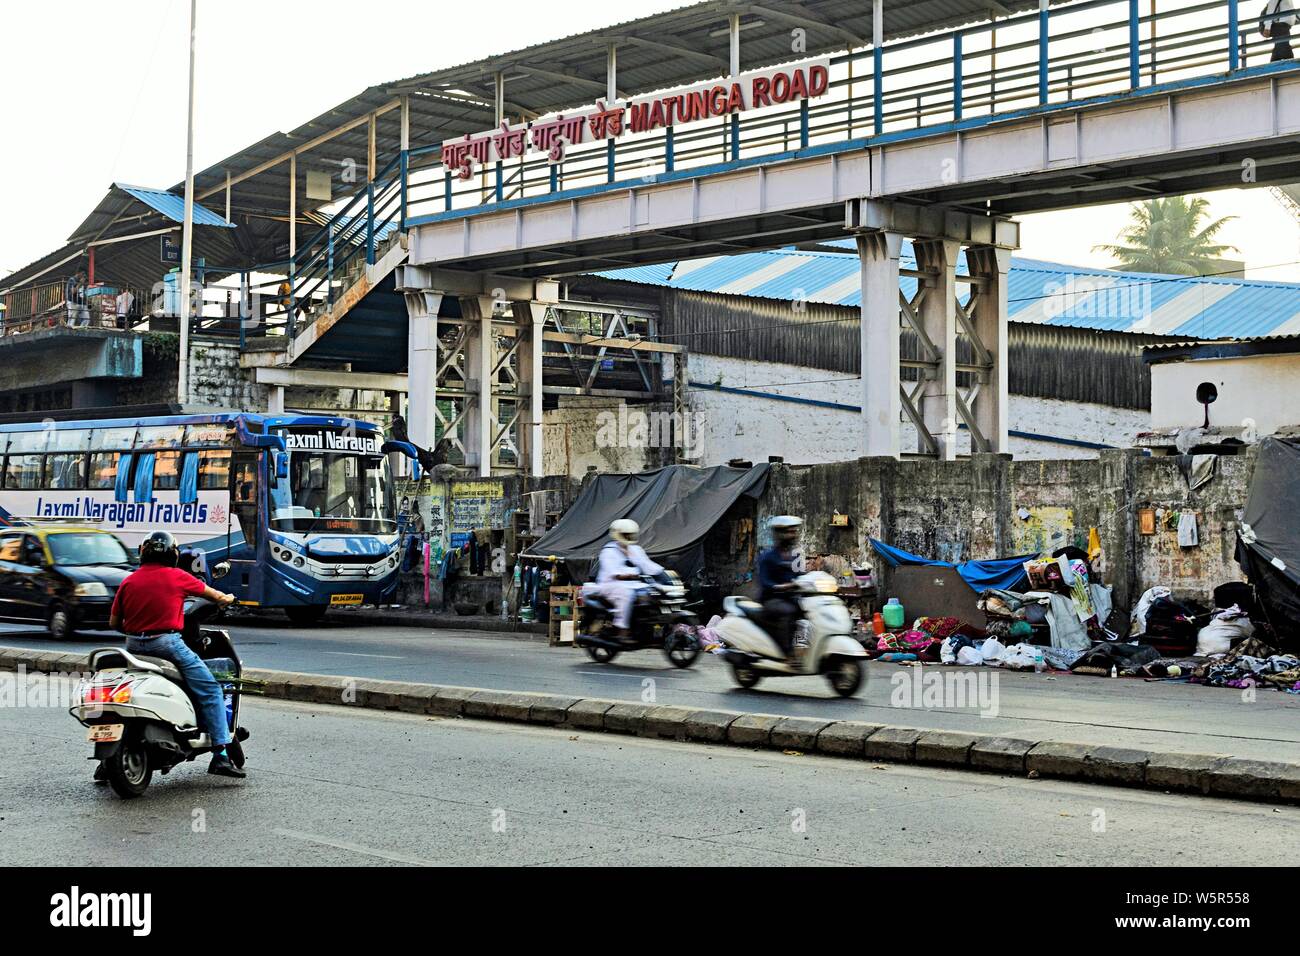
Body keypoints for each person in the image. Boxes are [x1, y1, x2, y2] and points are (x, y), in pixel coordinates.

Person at [107, 531, 245, 779]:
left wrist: (136, 632)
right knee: (211, 689)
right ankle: (220, 755)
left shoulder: (129, 581)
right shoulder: (178, 577)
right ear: (173, 554)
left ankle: (106, 760)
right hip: (167, 645)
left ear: (142, 553)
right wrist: (228, 598)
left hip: (133, 647)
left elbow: (114, 622)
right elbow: (213, 596)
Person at [587, 519, 663, 641]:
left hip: (633, 584)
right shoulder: (608, 551)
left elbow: (647, 565)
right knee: (626, 594)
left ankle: (642, 627)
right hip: (611, 585)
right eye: (625, 534)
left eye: (630, 534)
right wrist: (627, 575)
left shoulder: (636, 550)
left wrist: (662, 573)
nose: (628, 537)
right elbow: (613, 572)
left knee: (651, 593)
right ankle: (622, 628)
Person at [756, 515, 804, 657]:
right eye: (789, 531)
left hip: (790, 597)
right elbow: (765, 582)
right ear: (779, 534)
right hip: (771, 599)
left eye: (794, 531)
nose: (793, 535)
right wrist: (783, 586)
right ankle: (786, 653)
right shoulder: (767, 556)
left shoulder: (794, 556)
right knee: (789, 611)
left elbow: (800, 576)